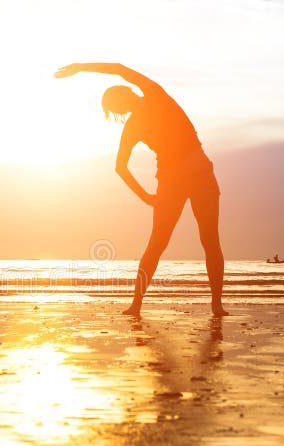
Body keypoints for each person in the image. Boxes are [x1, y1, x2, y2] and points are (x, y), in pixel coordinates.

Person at [55, 62, 227, 316]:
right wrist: (145, 196)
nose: (120, 111)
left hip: (198, 177)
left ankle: (215, 305)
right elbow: (120, 166)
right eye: (116, 109)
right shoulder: (139, 116)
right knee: (161, 243)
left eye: (117, 107)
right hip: (174, 181)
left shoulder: (153, 96)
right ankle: (137, 304)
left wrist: (81, 67)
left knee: (206, 241)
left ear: (125, 97)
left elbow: (119, 68)